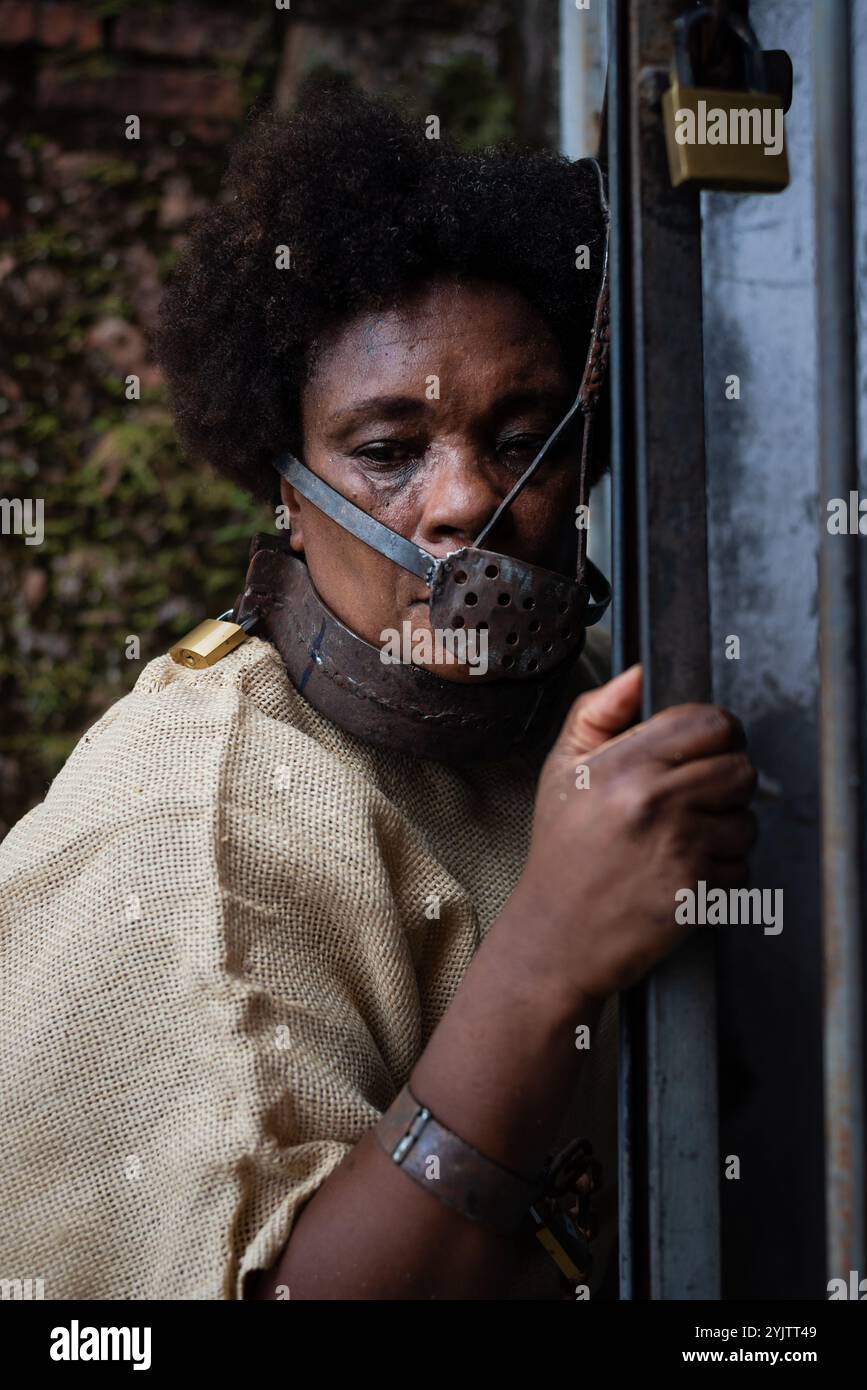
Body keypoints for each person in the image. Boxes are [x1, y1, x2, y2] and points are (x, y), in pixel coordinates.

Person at [0, 81, 756, 1301]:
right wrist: (547, 954)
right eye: (389, 451)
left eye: (521, 440)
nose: (465, 501)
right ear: (288, 493)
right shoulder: (192, 826)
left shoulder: (583, 708)